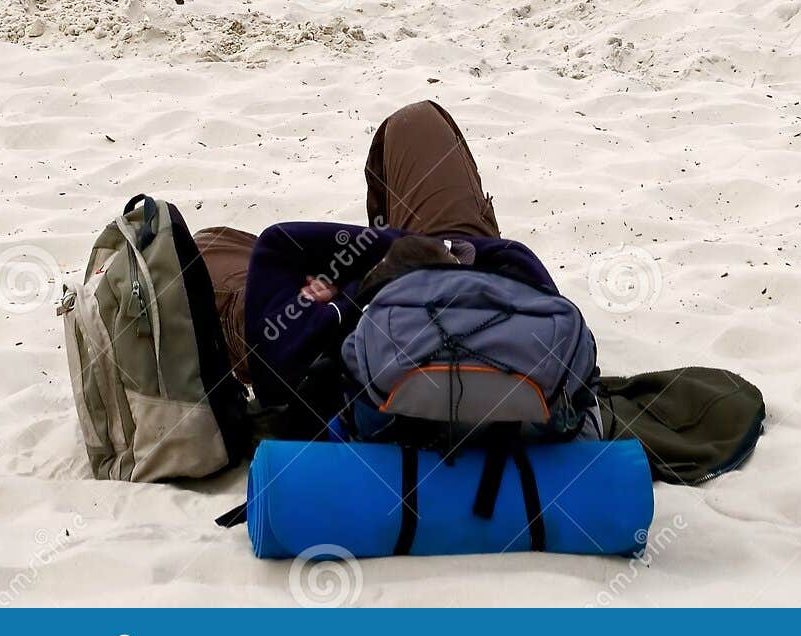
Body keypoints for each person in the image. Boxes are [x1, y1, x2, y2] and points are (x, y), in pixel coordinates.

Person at [196, 100, 557, 428]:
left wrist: (359, 288)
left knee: (206, 251)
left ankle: (403, 278)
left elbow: (277, 252)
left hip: (357, 335)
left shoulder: (328, 344)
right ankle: (411, 276)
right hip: (474, 293)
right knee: (417, 121)